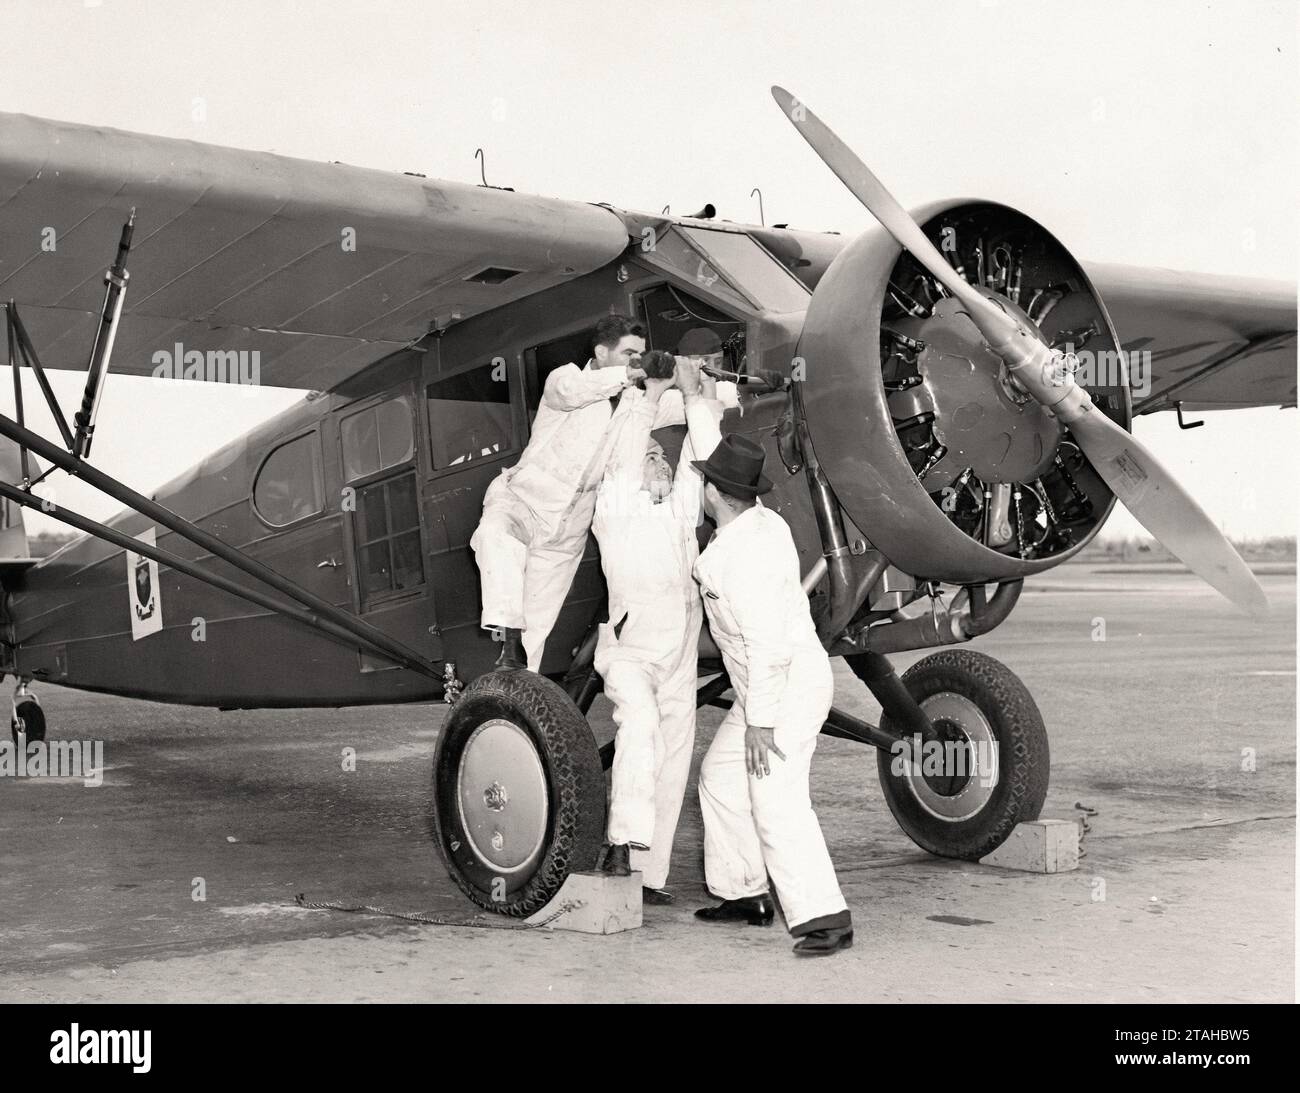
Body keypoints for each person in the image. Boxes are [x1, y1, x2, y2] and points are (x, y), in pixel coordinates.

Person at [690, 432, 853, 956]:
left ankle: (825, 919)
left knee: (775, 797)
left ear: (713, 493)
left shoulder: (736, 558)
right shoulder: (766, 522)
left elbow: (763, 646)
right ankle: (744, 894)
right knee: (719, 779)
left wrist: (759, 722)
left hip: (782, 687)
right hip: (767, 685)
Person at [590, 353, 724, 903]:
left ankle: (648, 876)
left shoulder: (677, 510)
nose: (660, 460)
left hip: (677, 656)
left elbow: (700, 454)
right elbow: (624, 450)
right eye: (651, 456)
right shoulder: (614, 506)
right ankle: (620, 846)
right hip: (630, 654)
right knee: (640, 728)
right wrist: (652, 389)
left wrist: (696, 393)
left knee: (672, 755)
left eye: (660, 457)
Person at [470, 315, 645, 671]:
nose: (636, 362)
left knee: (535, 639)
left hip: (566, 535)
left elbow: (680, 405)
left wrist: (735, 388)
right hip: (522, 504)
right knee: (493, 538)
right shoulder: (565, 378)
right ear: (601, 352)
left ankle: (514, 690)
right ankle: (507, 638)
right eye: (629, 353)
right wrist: (627, 375)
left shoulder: (633, 402)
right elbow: (570, 393)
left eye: (641, 356)